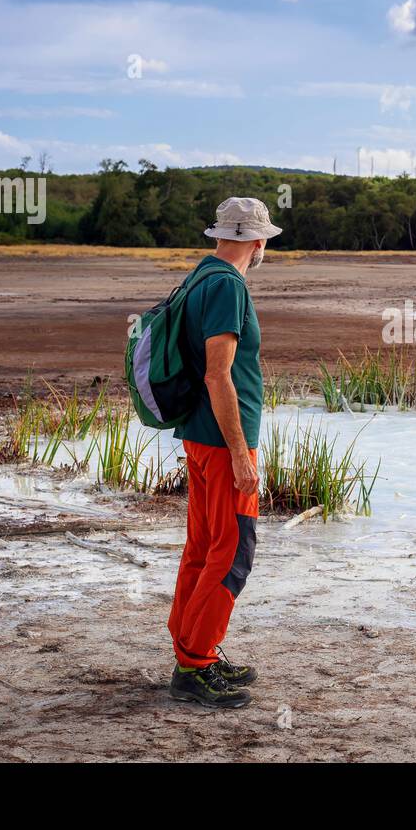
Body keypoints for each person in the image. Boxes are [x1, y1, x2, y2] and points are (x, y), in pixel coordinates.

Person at [166, 197, 281, 709]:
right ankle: (192, 668)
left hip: (198, 435)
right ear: (256, 243)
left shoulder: (199, 276)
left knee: (205, 547)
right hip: (220, 442)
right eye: (264, 243)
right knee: (234, 554)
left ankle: (197, 651)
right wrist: (241, 454)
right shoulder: (228, 286)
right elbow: (218, 373)